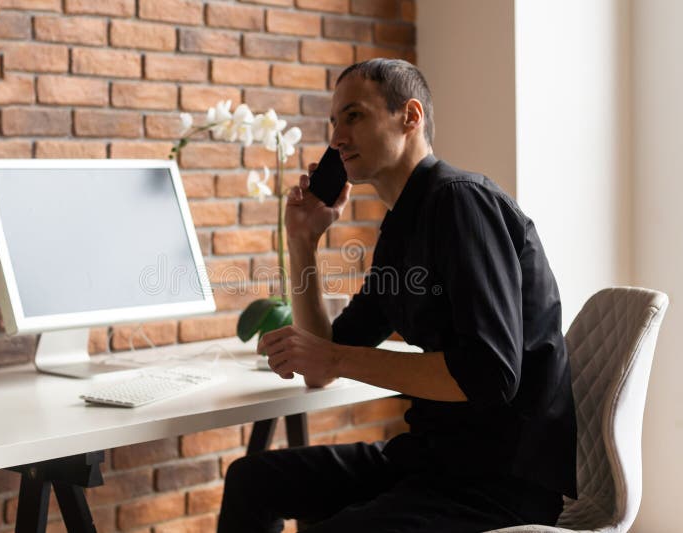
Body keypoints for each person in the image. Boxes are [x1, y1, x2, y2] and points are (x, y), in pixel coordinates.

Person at [217, 58, 577, 533]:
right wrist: (303, 242)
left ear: (410, 116)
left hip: (497, 483)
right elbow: (327, 355)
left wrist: (335, 359)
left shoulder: (459, 201)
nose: (337, 137)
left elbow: (489, 374)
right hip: (430, 461)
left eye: (354, 116)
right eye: (334, 122)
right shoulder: (402, 228)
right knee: (251, 479)